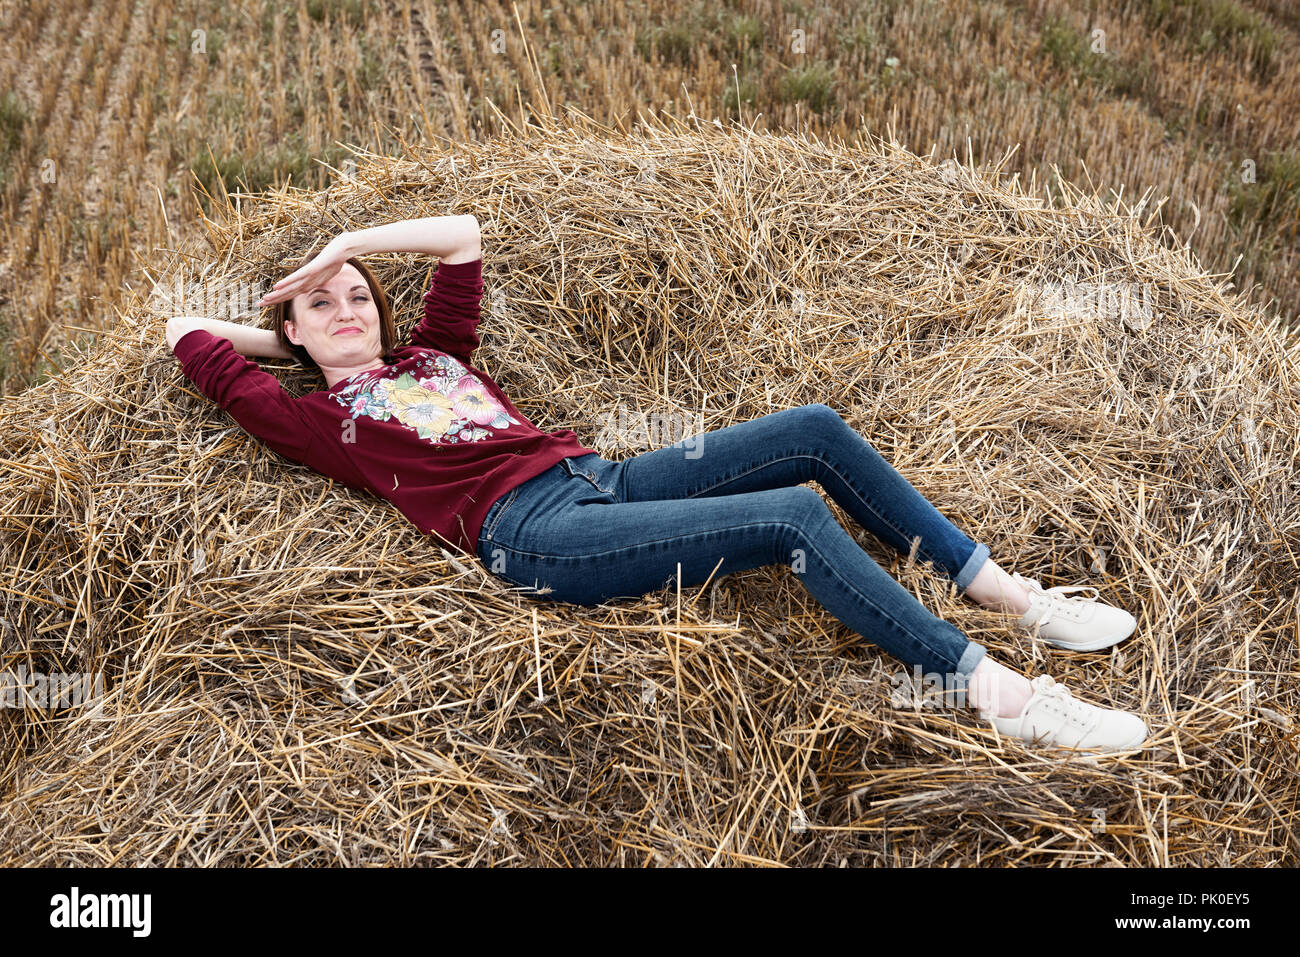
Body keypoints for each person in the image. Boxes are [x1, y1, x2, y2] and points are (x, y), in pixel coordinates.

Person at [167, 214, 1149, 753]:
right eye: (321, 307)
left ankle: (1006, 596)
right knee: (794, 518)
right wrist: (290, 333)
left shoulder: (432, 354)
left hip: (604, 476)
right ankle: (1000, 695)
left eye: (354, 299)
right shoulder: (317, 421)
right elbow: (190, 341)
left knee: (811, 431)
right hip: (532, 533)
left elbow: (462, 235)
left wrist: (350, 249)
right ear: (292, 337)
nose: (346, 308)